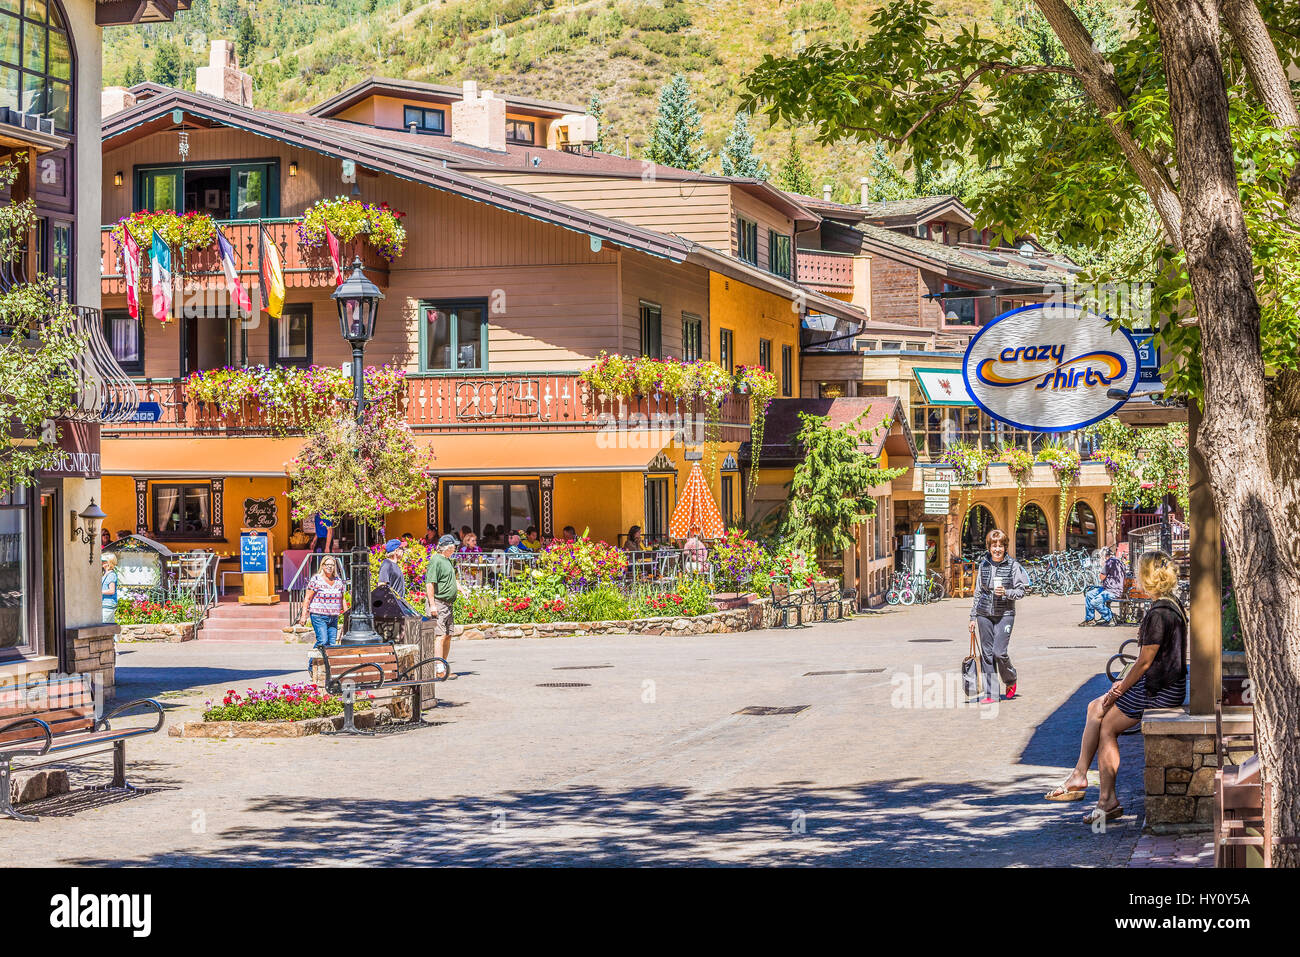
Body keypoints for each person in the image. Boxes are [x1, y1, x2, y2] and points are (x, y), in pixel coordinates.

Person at [1045, 551, 1186, 825]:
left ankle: (1105, 800)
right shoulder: (1172, 605)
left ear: (1149, 577)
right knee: (1093, 707)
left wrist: (1119, 690)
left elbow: (1145, 662)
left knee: (1107, 726)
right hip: (1162, 683)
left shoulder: (1160, 613)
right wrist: (1122, 684)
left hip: (1160, 689)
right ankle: (1080, 774)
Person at [968, 528, 1030, 704]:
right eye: (994, 545)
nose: (997, 549)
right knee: (987, 654)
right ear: (989, 547)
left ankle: (1010, 679)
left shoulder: (1013, 566)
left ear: (1005, 547)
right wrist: (973, 617)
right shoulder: (984, 565)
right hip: (984, 614)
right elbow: (978, 592)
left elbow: (1021, 591)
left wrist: (1007, 592)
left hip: (1006, 613)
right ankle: (991, 694)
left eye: (1000, 546)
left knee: (999, 652)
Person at [297, 556, 346, 663]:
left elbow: (342, 599)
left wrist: (346, 614)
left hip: (333, 617)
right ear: (322, 566)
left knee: (332, 643)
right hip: (318, 616)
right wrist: (304, 615)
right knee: (323, 641)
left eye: (332, 565)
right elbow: (308, 598)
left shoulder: (338, 581)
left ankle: (327, 669)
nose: (330, 567)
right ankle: (312, 665)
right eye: (327, 565)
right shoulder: (316, 579)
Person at [425, 535, 460, 679]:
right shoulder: (436, 560)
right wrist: (432, 605)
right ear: (447, 547)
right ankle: (439, 670)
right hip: (439, 604)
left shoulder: (447, 560)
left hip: (448, 605)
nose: (455, 549)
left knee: (447, 635)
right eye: (453, 546)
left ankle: (444, 667)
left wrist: (461, 589)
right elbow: (430, 583)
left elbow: (451, 580)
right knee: (439, 636)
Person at [1081, 547, 1127, 626]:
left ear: (1104, 556)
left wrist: (1102, 567)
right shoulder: (1119, 562)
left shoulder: (1109, 562)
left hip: (1112, 591)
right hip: (1110, 589)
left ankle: (1110, 617)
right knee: (1089, 594)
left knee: (1094, 602)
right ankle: (1090, 619)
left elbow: (1102, 577)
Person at [101, 553, 120, 624]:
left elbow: (112, 591)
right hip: (106, 604)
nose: (101, 562)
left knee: (102, 625)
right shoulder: (106, 574)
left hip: (108, 605)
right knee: (110, 627)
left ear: (109, 563)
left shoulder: (111, 575)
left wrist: (99, 592)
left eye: (103, 561)